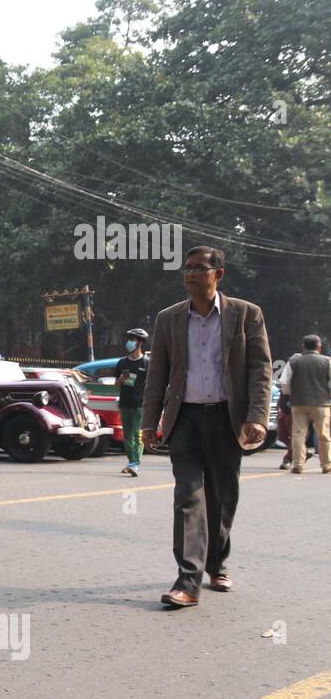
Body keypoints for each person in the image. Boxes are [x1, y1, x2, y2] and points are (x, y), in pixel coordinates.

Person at [141, 246, 272, 609]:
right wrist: (150, 422)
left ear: (219, 274)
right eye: (187, 268)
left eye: (200, 268)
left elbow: (261, 370)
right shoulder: (168, 318)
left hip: (227, 419)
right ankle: (188, 581)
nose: (191, 274)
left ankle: (217, 563)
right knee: (188, 494)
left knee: (222, 496)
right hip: (184, 419)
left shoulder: (246, 315)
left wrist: (257, 417)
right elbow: (158, 375)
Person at [279, 334, 331, 474]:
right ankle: (326, 465)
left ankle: (298, 465)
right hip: (321, 403)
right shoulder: (327, 361)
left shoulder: (294, 361)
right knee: (324, 435)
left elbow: (285, 382)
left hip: (298, 403)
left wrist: (291, 394)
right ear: (319, 347)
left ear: (303, 346)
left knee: (298, 434)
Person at [115, 328, 150, 476]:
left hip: (140, 404)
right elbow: (116, 384)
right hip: (125, 404)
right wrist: (121, 380)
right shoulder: (122, 362)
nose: (129, 342)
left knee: (137, 434)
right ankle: (132, 462)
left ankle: (135, 464)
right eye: (129, 339)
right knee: (127, 436)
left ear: (140, 342)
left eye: (133, 340)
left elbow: (152, 384)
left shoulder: (147, 362)